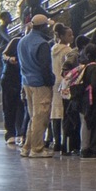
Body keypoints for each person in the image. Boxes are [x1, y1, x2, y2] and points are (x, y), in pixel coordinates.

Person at [17, 15, 56, 157]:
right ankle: (37, 148)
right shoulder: (42, 44)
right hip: (41, 84)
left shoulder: (22, 41)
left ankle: (27, 146)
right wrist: (50, 81)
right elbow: (45, 67)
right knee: (41, 116)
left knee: (33, 116)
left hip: (26, 82)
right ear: (44, 27)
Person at [49, 23, 77, 154]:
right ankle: (65, 143)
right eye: (69, 35)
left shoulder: (53, 48)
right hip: (64, 82)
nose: (72, 37)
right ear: (61, 36)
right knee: (65, 112)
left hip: (54, 81)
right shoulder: (67, 51)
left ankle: (56, 141)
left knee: (55, 111)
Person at [0, 21, 23, 144]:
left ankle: (20, 133)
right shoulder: (16, 41)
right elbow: (4, 55)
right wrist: (10, 59)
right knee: (9, 106)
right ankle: (10, 133)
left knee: (21, 106)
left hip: (21, 78)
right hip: (9, 78)